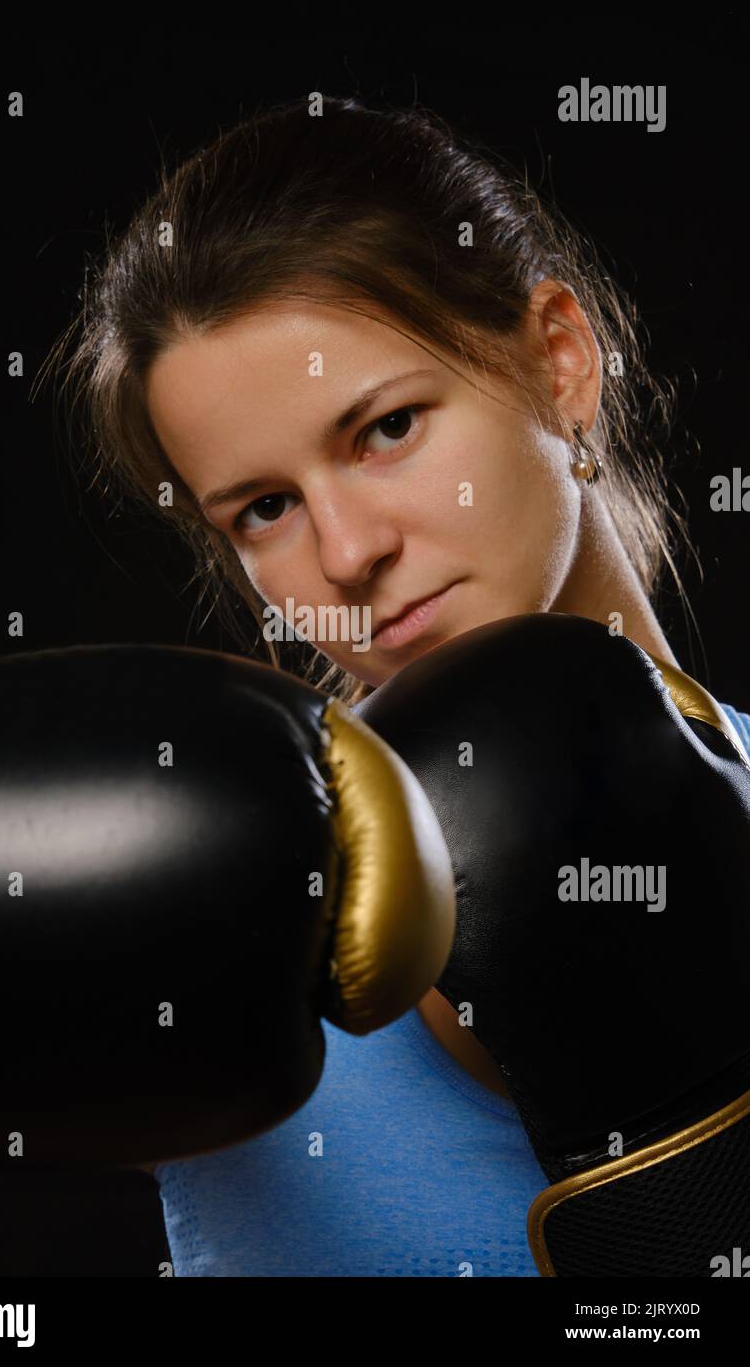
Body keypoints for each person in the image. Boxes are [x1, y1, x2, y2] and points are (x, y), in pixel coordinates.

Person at [46, 95, 750, 1276]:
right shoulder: (204, 905)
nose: (344, 551)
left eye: (384, 429)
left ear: (557, 360)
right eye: (262, 508)